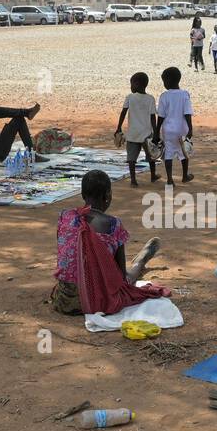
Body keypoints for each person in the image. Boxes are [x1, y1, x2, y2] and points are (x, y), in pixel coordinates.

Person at [50, 169, 164, 315]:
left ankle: (140, 260)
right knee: (128, 278)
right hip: (96, 301)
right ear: (108, 196)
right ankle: (140, 261)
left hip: (64, 299)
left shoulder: (65, 216)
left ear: (83, 195)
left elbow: (64, 253)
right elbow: (121, 276)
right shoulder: (113, 224)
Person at [114, 71, 158, 186]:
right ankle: (153, 176)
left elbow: (123, 113)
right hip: (147, 134)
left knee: (131, 158)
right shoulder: (150, 99)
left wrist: (118, 128)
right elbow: (153, 117)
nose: (131, 86)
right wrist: (156, 132)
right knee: (151, 156)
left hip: (132, 134)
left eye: (132, 84)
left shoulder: (130, 97)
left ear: (137, 84)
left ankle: (133, 180)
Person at [154, 66, 192, 185]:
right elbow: (187, 113)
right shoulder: (185, 94)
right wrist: (190, 128)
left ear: (168, 81)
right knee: (184, 152)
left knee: (168, 153)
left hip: (168, 130)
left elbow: (161, 116)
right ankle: (185, 175)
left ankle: (170, 179)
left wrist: (156, 131)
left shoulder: (164, 96)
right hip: (182, 129)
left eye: (164, 81)